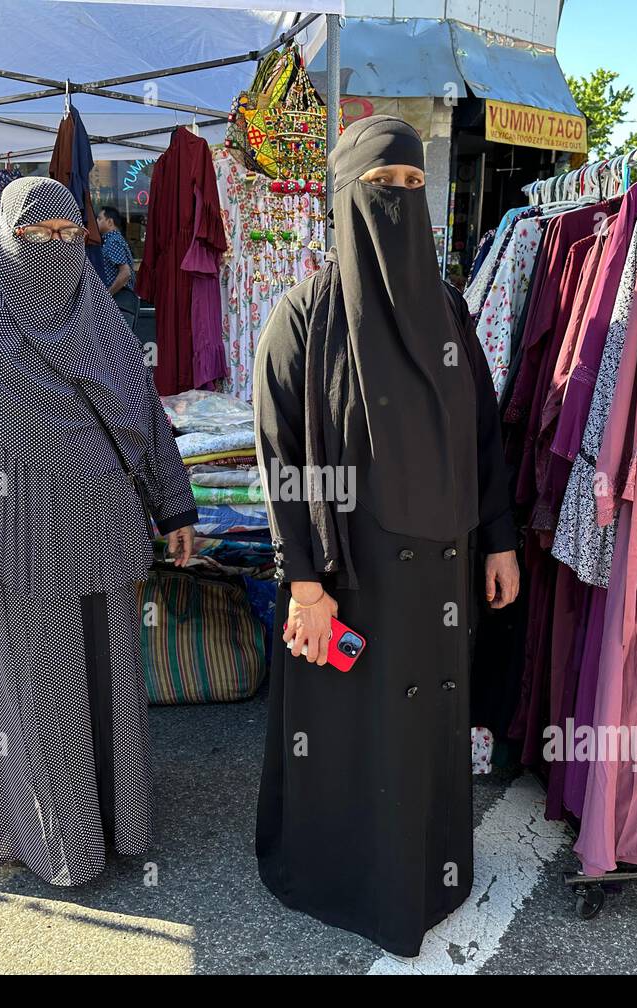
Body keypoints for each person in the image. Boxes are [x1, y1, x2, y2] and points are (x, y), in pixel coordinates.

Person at [253, 115, 521, 957]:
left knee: (423, 734)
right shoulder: (302, 320)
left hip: (439, 579)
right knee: (350, 734)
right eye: (381, 186)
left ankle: (431, 870)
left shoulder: (448, 312)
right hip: (352, 576)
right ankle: (346, 877)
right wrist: (306, 585)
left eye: (412, 186)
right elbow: (281, 461)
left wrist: (501, 539)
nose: (399, 200)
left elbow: (485, 433)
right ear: (344, 196)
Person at [0, 177, 197, 887]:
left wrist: (175, 508)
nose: (58, 247)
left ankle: (117, 823)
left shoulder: (101, 317)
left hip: (103, 538)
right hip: (20, 548)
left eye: (72, 235)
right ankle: (55, 844)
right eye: (39, 235)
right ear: (7, 239)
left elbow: (145, 417)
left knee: (107, 685)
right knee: (41, 693)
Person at [97, 205, 139, 327]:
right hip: (121, 303)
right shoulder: (114, 240)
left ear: (110, 222)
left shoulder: (113, 241)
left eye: (100, 219)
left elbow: (125, 273)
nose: (96, 221)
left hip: (121, 302)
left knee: (119, 343)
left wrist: (107, 295)